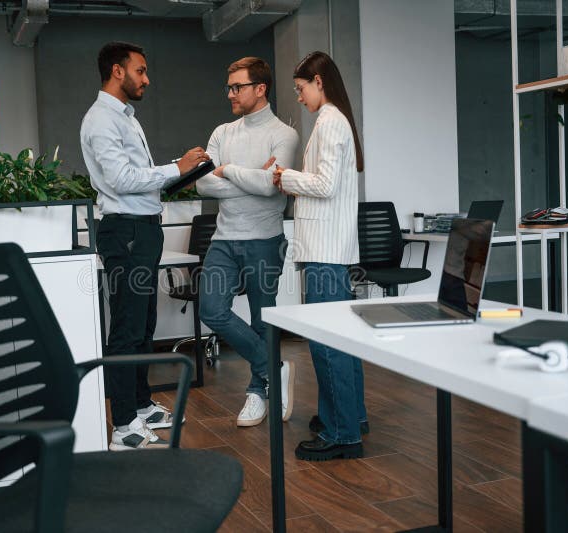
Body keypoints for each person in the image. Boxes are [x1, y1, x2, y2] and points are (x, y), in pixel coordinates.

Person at [80, 41, 209, 451]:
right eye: (140, 70)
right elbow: (120, 179)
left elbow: (137, 174)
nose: (146, 78)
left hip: (143, 228)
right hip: (126, 230)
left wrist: (184, 171)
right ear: (117, 71)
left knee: (143, 324)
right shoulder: (101, 119)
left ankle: (138, 404)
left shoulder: (124, 117)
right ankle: (122, 428)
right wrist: (176, 168)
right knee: (127, 328)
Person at [273, 51, 368, 461]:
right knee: (339, 339)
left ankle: (341, 433)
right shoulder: (335, 121)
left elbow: (325, 184)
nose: (299, 97)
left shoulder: (330, 122)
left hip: (325, 250)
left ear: (318, 81)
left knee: (325, 343)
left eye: (300, 89)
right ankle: (350, 416)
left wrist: (284, 177)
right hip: (331, 247)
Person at [196, 57, 299, 427]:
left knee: (262, 321)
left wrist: (231, 172)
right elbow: (202, 183)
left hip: (265, 240)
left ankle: (258, 392)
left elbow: (271, 191)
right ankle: (275, 367)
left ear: (260, 89)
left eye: (237, 86)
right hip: (224, 239)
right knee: (211, 310)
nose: (230, 94)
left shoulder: (284, 135)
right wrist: (254, 177)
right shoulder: (222, 132)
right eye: (229, 86)